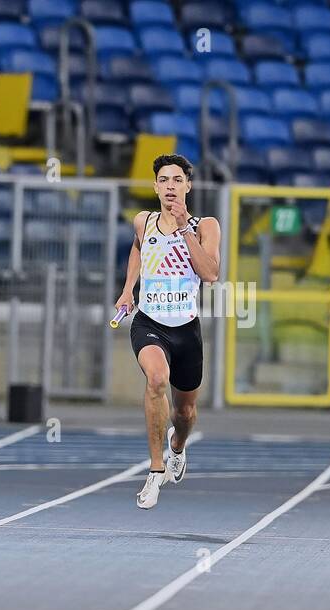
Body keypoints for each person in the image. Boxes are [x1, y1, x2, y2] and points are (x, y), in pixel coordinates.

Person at [114, 153, 220, 510]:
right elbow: (137, 247)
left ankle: (177, 446)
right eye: (164, 180)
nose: (170, 186)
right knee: (156, 379)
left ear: (188, 186)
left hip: (186, 329)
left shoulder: (206, 226)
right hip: (150, 323)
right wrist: (129, 288)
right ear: (155, 186)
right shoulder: (143, 221)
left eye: (177, 180)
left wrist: (184, 225)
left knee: (185, 414)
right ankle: (155, 470)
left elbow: (210, 274)